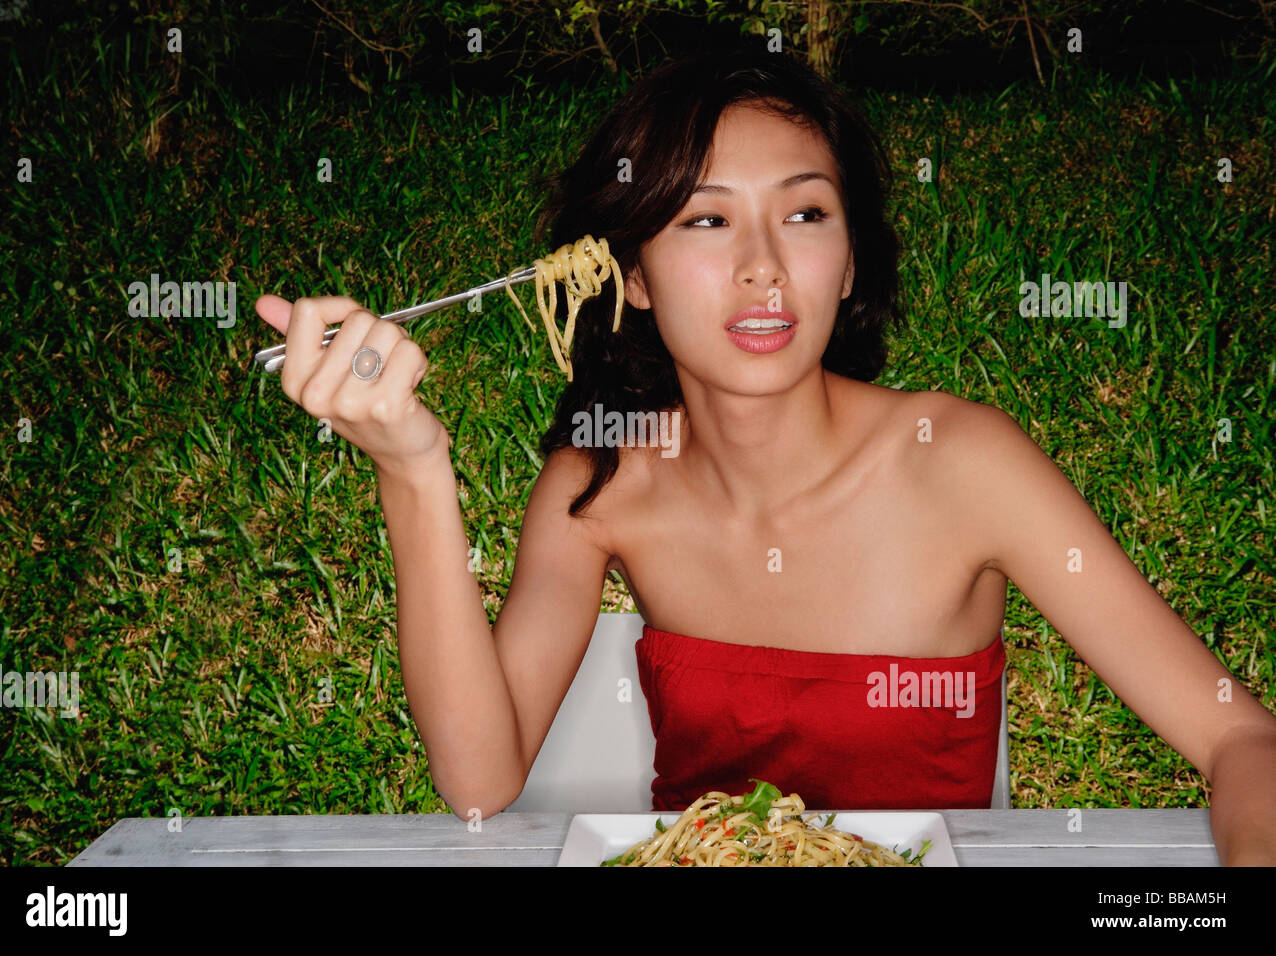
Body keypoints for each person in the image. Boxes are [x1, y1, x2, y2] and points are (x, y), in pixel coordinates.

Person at [254, 44, 1276, 864]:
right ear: (633, 275)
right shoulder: (602, 476)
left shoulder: (962, 462)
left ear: (849, 260)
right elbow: (479, 778)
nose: (762, 268)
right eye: (705, 218)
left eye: (804, 214)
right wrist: (411, 466)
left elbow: (1240, 737)